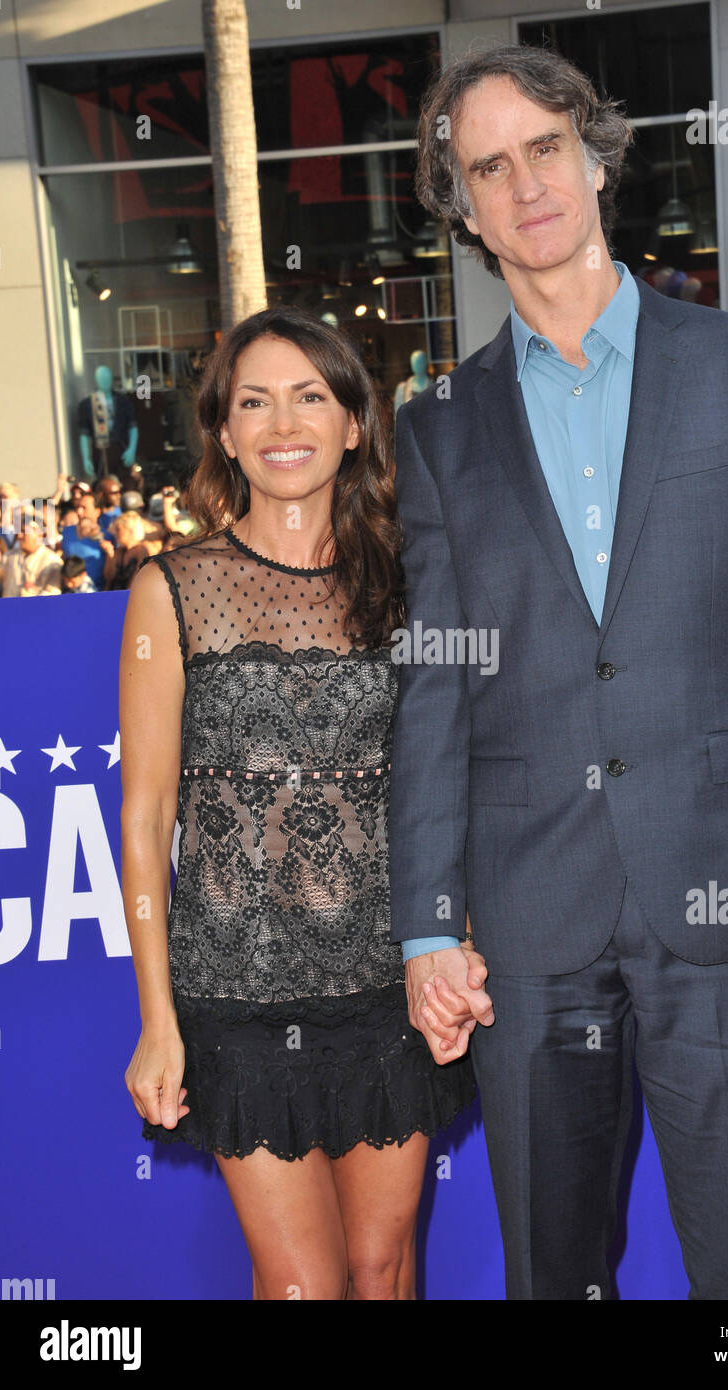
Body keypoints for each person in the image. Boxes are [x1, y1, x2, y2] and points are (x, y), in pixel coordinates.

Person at [387, 41, 728, 1300]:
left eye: (546, 148)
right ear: (463, 206)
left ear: (593, 158)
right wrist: (431, 922)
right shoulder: (436, 429)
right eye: (489, 166)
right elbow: (433, 682)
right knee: (552, 1274)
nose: (526, 183)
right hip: (527, 922)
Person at [120, 305, 478, 1301]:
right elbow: (147, 820)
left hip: (386, 985)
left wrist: (458, 939)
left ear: (357, 421)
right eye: (255, 401)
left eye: (311, 395)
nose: (285, 421)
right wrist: (158, 1020)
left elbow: (453, 777)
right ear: (225, 433)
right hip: (233, 996)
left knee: (383, 1270)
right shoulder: (173, 591)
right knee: (302, 1287)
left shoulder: (412, 581)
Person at [1, 518, 63, 596]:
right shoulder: (9, 556)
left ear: (39, 534)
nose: (19, 536)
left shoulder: (52, 562)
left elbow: (53, 593)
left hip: (36, 607)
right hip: (6, 607)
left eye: (24, 532)